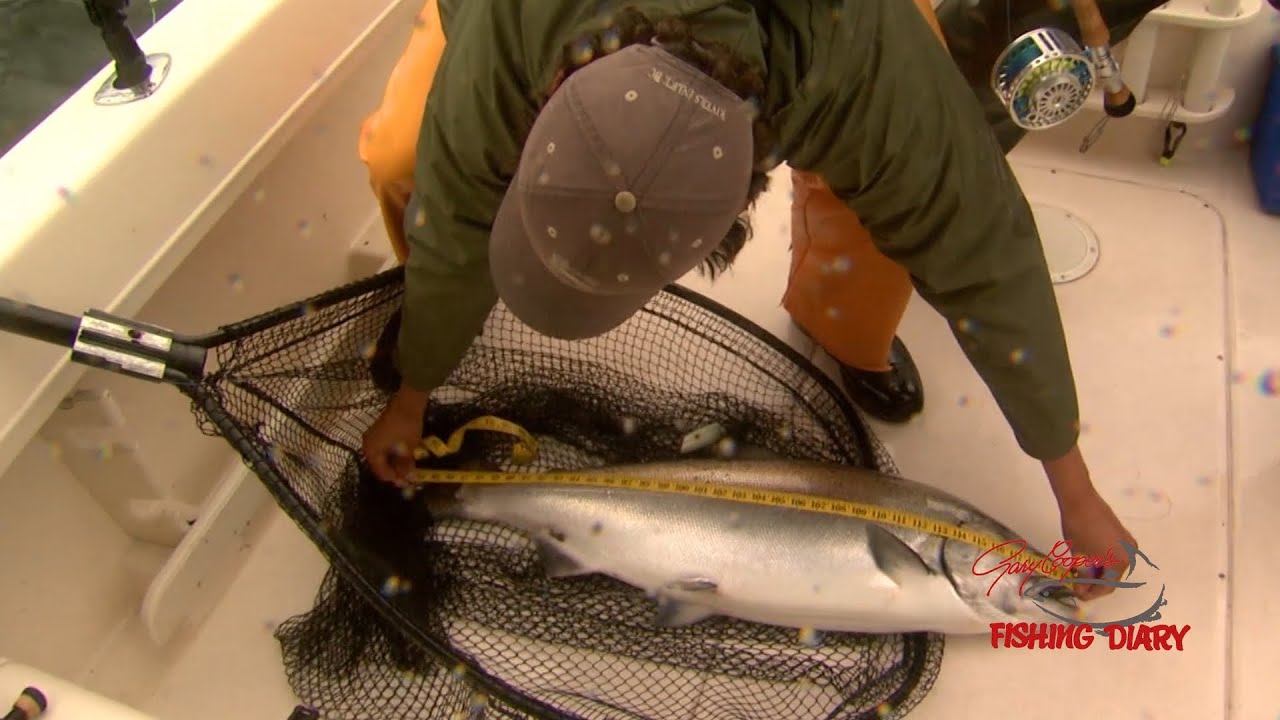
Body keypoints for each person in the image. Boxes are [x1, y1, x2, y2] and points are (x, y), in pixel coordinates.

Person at [357, 0, 1139, 599]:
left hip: (817, 38)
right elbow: (457, 218)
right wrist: (414, 395)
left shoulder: (858, 61)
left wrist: (1076, 491)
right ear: (552, 91)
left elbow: (982, 254)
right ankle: (437, 324)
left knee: (883, 243)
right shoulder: (507, 30)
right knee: (404, 158)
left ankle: (839, 326)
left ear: (737, 199)